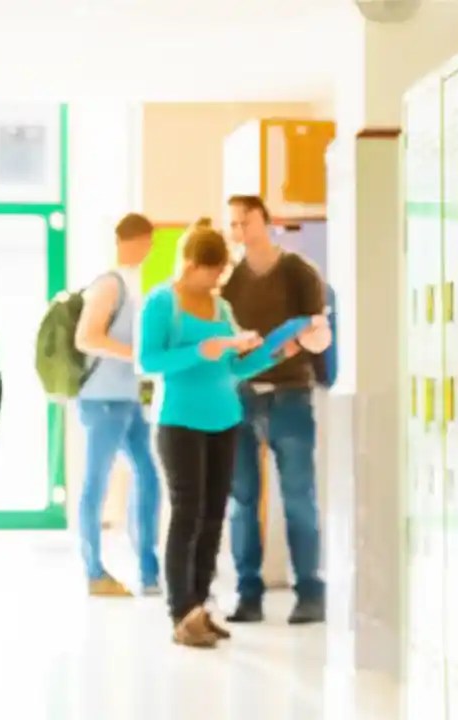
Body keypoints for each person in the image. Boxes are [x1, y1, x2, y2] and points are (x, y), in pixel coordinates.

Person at [136, 222, 323, 649]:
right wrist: (201, 351)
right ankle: (180, 611)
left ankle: (201, 605)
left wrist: (279, 351)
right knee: (187, 514)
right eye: (211, 271)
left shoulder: (220, 308)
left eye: (220, 273)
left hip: (224, 420)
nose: (216, 281)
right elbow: (147, 361)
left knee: (214, 516)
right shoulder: (162, 302)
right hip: (180, 421)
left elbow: (235, 369)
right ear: (191, 264)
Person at [222, 194, 332, 626]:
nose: (240, 232)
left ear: (267, 222)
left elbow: (320, 331)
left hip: (290, 395)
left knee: (299, 497)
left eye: (245, 221)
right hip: (241, 397)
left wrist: (303, 340)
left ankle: (310, 592)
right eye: (233, 224)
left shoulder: (298, 271)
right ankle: (248, 594)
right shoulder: (229, 281)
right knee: (243, 499)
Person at [73, 212, 162, 597]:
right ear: (138, 240)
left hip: (130, 400)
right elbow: (86, 338)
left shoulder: (135, 283)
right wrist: (136, 355)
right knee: (97, 484)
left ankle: (149, 568)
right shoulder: (109, 284)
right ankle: (94, 570)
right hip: (103, 400)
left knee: (149, 477)